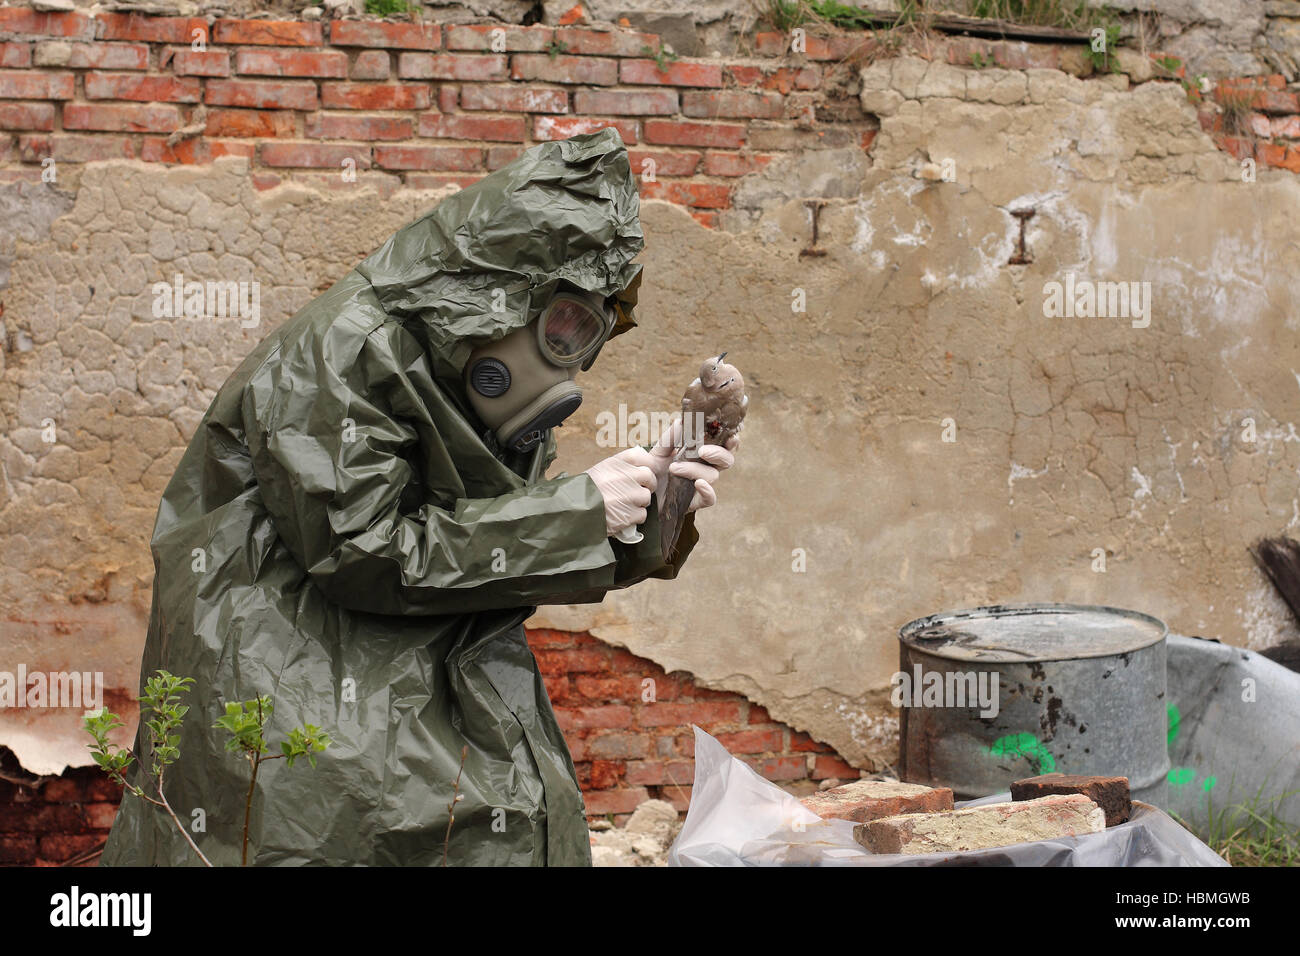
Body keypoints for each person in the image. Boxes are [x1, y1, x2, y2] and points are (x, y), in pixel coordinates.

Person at [100, 129, 737, 866]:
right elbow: (362, 551)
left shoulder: (455, 372)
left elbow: (487, 552)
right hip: (306, 699)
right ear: (499, 292)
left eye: (586, 330)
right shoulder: (344, 348)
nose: (566, 352)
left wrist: (644, 514)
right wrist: (577, 511)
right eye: (561, 320)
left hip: (417, 694)